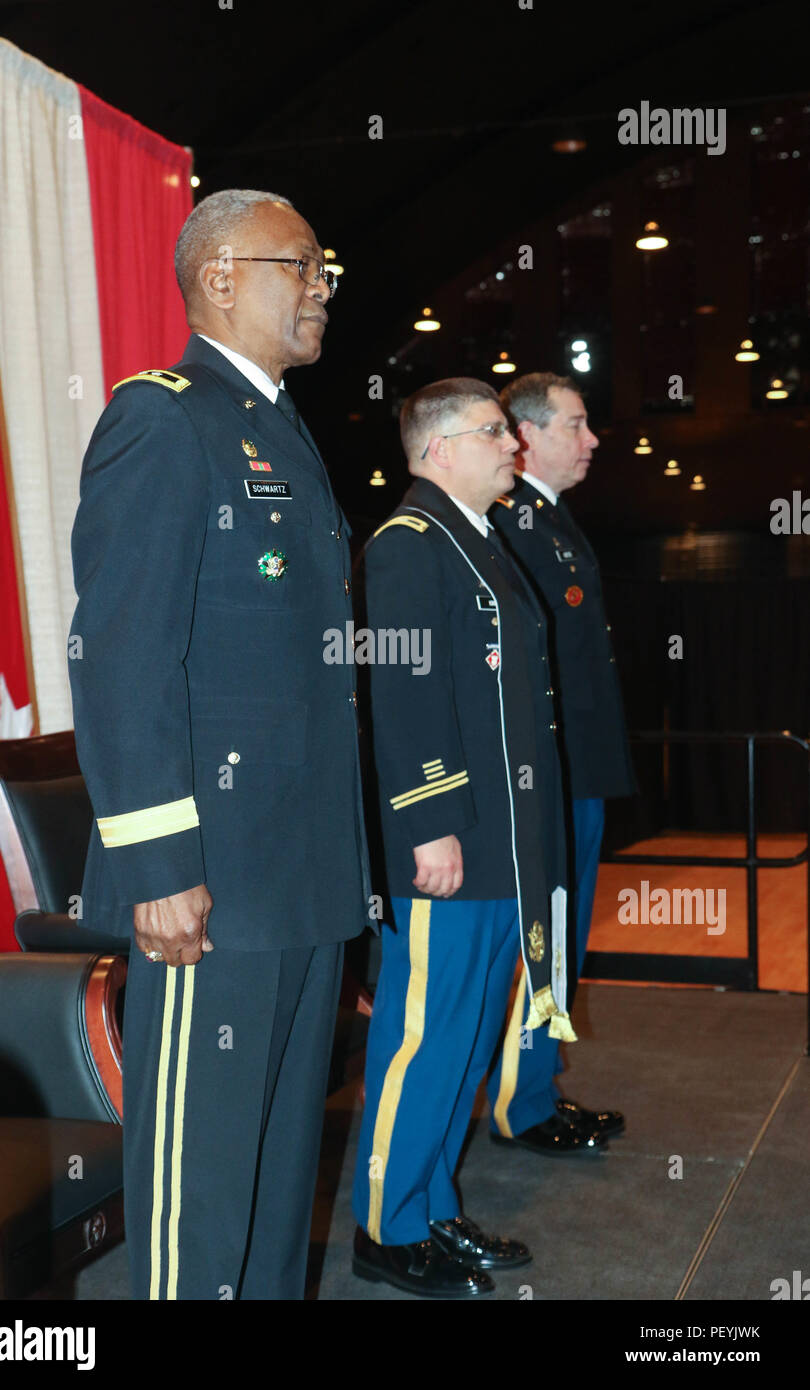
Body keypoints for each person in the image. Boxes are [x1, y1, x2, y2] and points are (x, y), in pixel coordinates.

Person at [68, 189, 371, 1300]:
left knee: (275, 1183)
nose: (323, 287)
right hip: (213, 882)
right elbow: (123, 655)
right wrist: (159, 866)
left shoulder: (279, 429)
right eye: (306, 264)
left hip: (298, 876)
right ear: (223, 276)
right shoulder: (164, 417)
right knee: (195, 1200)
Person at [351, 378, 574, 1298]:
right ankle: (387, 1228)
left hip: (502, 842)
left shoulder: (476, 540)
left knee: (470, 1032)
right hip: (452, 842)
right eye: (494, 433)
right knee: (423, 1037)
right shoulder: (409, 544)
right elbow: (404, 698)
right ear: (440, 448)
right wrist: (430, 821)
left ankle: (433, 1208)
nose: (512, 448)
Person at [486, 372, 635, 1156]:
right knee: (542, 937)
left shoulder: (549, 521)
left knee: (563, 936)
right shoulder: (512, 522)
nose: (592, 440)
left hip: (577, 766)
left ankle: (536, 1090)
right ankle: (523, 1101)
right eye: (576, 425)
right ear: (527, 435)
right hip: (548, 771)